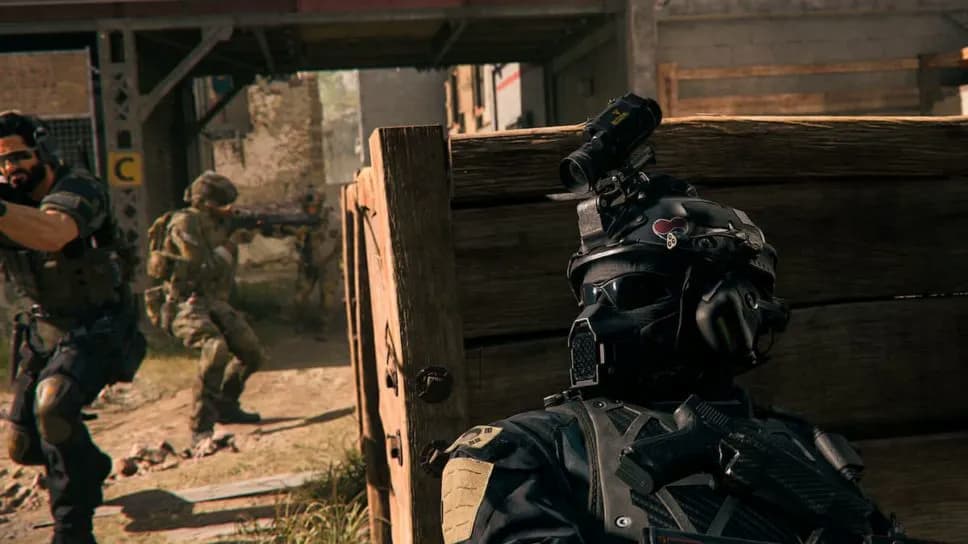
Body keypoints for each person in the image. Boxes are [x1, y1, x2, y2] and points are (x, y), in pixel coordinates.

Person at [440, 144, 913, 541]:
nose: (594, 319)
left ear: (728, 307)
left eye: (633, 292)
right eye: (591, 297)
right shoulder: (523, 450)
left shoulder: (802, 447)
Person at [0, 111, 145, 544]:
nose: (11, 168)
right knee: (24, 447)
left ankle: (73, 529)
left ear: (43, 152)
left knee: (54, 407)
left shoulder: (79, 188)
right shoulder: (9, 201)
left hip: (98, 324)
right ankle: (89, 466)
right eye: (2, 162)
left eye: (19, 157)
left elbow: (54, 233)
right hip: (43, 330)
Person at [150, 171, 266, 448]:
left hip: (212, 301)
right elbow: (201, 266)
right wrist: (231, 244)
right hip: (183, 304)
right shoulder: (185, 222)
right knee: (215, 350)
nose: (227, 209)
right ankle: (201, 425)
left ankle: (226, 404)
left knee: (251, 353)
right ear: (205, 202)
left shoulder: (217, 223)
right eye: (222, 203)